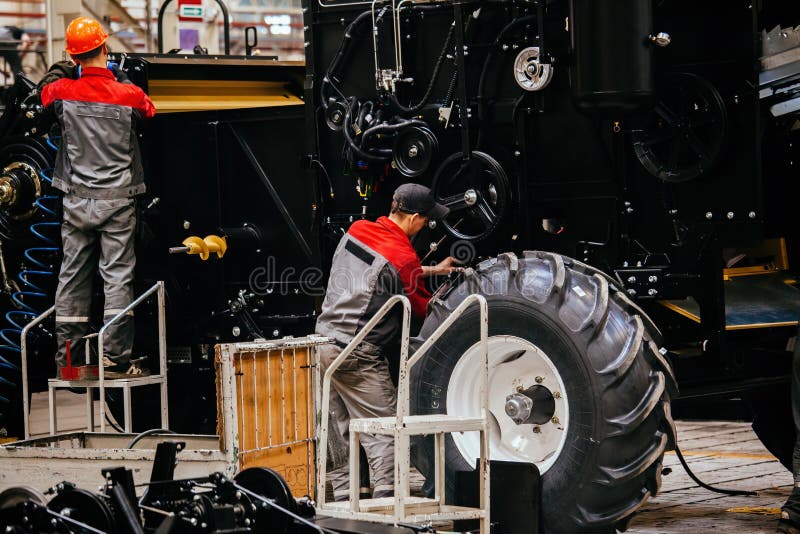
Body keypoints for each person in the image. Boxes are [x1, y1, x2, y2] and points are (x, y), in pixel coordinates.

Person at [315, 183, 458, 500]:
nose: (425, 226)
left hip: (323, 344)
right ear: (414, 218)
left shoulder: (357, 231)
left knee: (340, 433)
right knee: (385, 432)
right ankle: (388, 503)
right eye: (426, 220)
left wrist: (431, 269)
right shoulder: (404, 257)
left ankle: (345, 501)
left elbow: (383, 267)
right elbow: (422, 309)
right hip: (357, 354)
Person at [40, 16, 156, 378]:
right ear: (104, 48)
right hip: (118, 201)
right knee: (117, 277)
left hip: (76, 201)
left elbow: (43, 93)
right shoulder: (128, 95)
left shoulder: (62, 92)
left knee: (72, 278)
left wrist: (63, 68)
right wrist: (121, 77)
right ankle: (114, 358)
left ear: (74, 57)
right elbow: (149, 110)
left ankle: (69, 361)